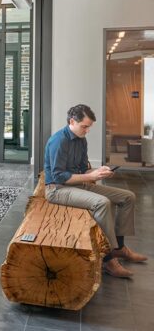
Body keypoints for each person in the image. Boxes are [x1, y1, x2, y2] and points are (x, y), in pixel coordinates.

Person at [44, 104, 146, 278]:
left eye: (89, 126)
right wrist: (91, 176)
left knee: (128, 197)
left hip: (77, 185)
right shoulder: (58, 141)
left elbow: (84, 170)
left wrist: (100, 171)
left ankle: (119, 248)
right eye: (85, 126)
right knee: (102, 202)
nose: (87, 130)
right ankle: (108, 260)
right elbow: (59, 177)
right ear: (72, 122)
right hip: (57, 189)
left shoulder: (81, 139)